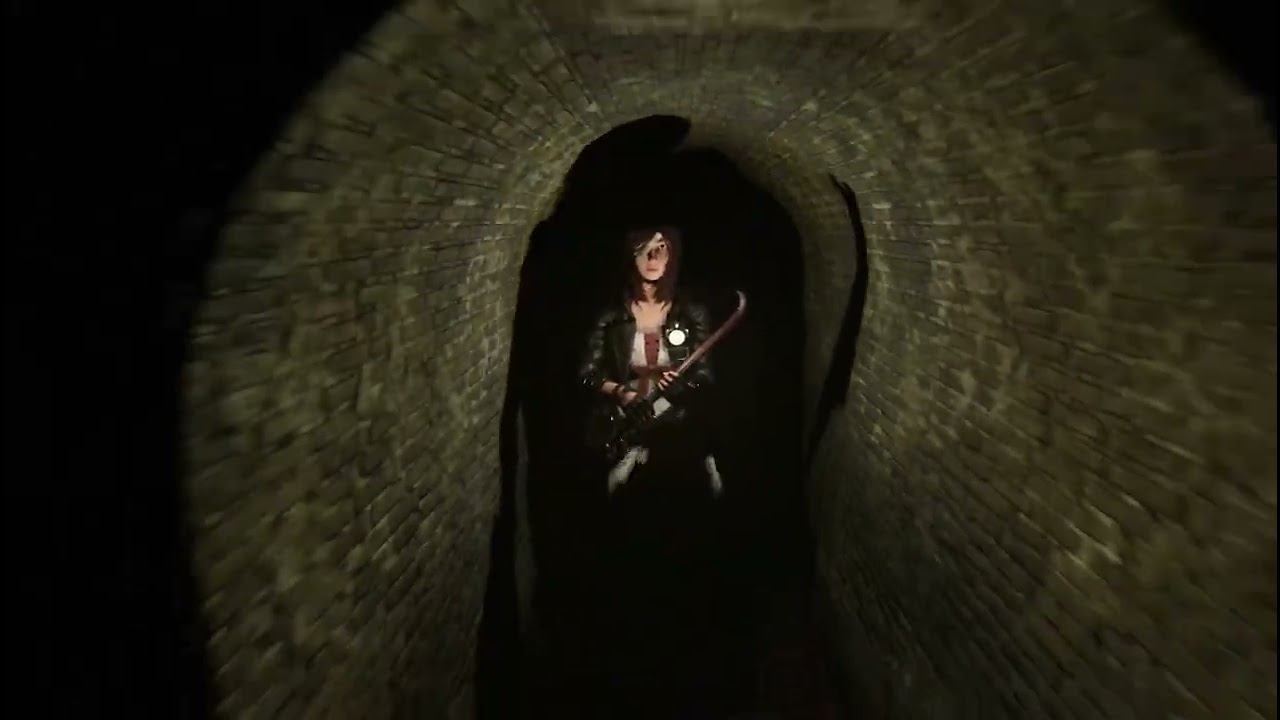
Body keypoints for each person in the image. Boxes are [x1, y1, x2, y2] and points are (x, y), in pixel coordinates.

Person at [575, 225, 736, 713]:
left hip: (680, 434)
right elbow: (587, 372)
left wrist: (678, 384)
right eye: (645, 250)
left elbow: (705, 375)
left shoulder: (689, 313)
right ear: (631, 257)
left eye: (661, 250)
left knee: (692, 531)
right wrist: (621, 392)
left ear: (672, 257)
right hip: (626, 434)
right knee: (622, 537)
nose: (653, 257)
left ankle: (691, 650)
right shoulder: (612, 316)